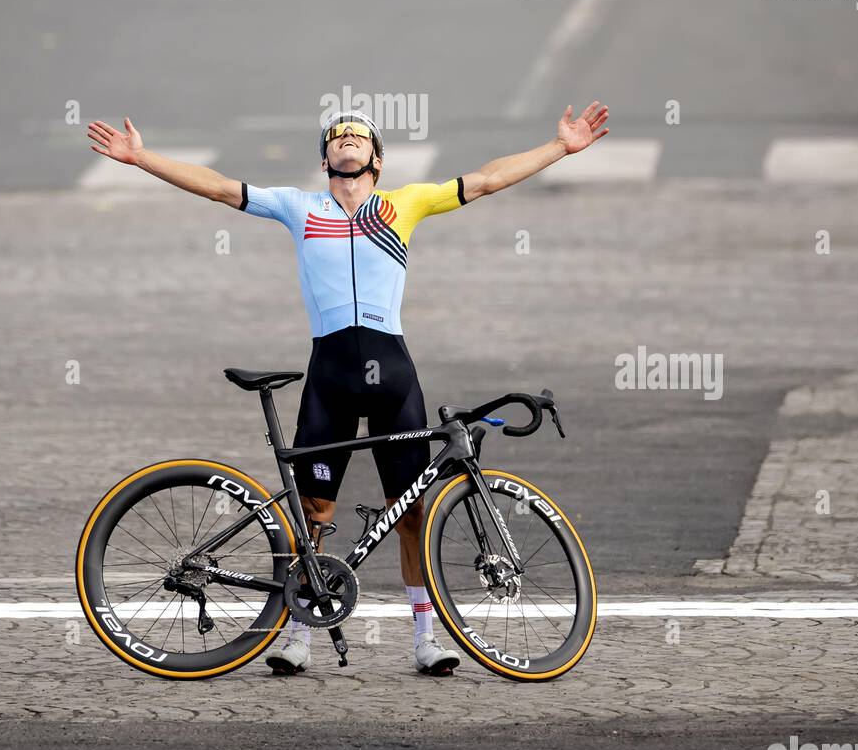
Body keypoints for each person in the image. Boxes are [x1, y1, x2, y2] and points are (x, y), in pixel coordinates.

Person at [86, 100, 610, 676]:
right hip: (330, 374)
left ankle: (424, 640)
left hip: (394, 375)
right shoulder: (298, 207)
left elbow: (486, 180)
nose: (347, 138)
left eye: (359, 135)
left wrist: (560, 147)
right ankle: (299, 636)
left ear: (377, 160)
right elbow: (217, 187)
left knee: (410, 512)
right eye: (337, 135)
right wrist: (140, 158)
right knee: (313, 511)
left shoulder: (404, 204)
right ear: (326, 158)